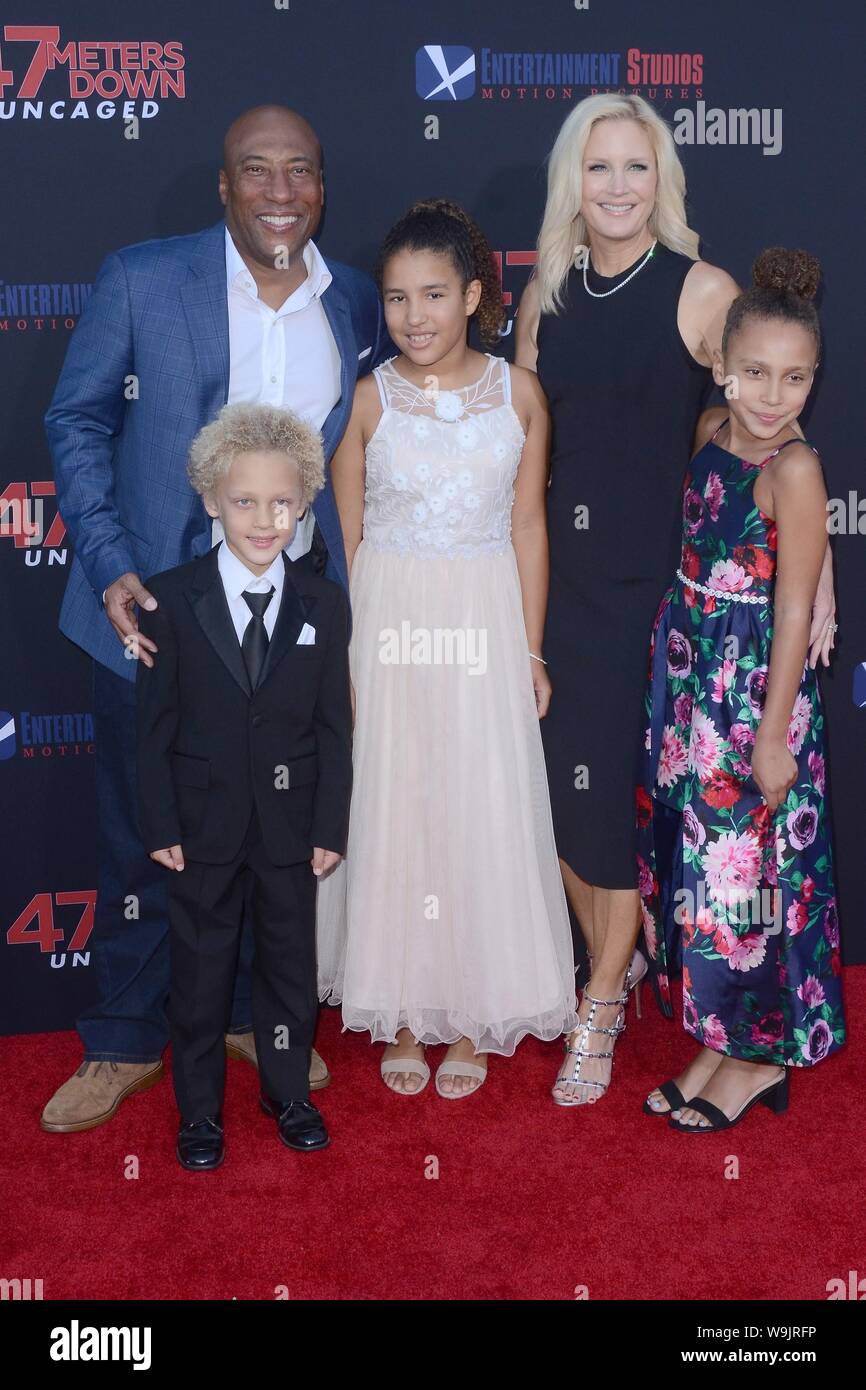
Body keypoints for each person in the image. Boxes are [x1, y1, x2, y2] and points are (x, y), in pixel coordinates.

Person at [42, 104, 392, 1133]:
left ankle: (250, 1016)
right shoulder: (142, 277)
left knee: (267, 829)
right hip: (152, 608)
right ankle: (121, 1036)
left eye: (300, 170)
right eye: (256, 170)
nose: (280, 191)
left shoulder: (355, 301)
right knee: (141, 834)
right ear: (223, 185)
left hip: (283, 625)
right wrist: (109, 562)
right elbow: (76, 418)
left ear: (322, 185)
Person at [514, 94, 836, 1106]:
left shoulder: (700, 290)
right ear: (574, 179)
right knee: (566, 807)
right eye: (599, 168)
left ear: (663, 182)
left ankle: (602, 997)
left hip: (667, 600)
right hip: (561, 587)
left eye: (636, 168)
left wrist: (814, 573)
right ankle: (636, 964)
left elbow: (764, 438)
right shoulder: (544, 297)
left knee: (628, 813)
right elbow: (523, 451)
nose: (616, 187)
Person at [316, 199, 577, 1097]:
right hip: (388, 621)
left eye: (433, 294)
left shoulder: (521, 394)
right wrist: (342, 660)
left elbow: (530, 529)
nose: (414, 317)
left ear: (473, 295)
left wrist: (533, 653)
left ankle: (469, 1014)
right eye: (395, 299)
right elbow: (343, 546)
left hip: (483, 620)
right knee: (398, 801)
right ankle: (396, 1004)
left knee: (477, 803)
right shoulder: (364, 402)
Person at [639, 249, 845, 1132]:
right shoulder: (711, 432)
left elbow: (794, 610)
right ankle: (719, 1040)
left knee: (747, 882)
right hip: (690, 685)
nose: (773, 395)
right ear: (722, 367)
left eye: (795, 378)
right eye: (755, 372)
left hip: (754, 695)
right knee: (701, 871)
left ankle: (757, 1057)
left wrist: (771, 738)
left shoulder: (794, 471)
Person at [136, 402, 352, 1169]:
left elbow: (334, 727)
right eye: (245, 502)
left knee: (290, 965)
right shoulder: (169, 600)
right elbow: (153, 729)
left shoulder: (325, 603)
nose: (265, 520)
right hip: (201, 827)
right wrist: (160, 822)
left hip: (293, 829)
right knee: (199, 971)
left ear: (305, 503)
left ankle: (287, 1089)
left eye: (283, 503)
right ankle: (199, 1112)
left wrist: (331, 826)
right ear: (209, 500)